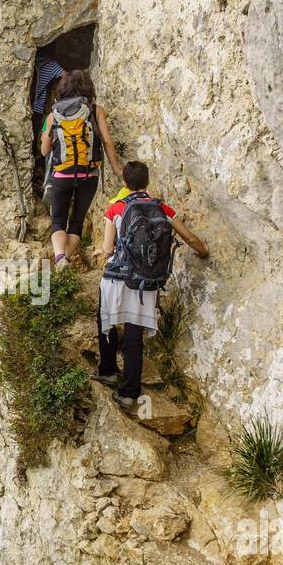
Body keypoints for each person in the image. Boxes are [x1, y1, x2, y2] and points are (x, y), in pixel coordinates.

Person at [93, 160, 208, 409]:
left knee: (106, 320)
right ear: (147, 182)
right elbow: (187, 236)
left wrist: (101, 252)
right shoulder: (161, 207)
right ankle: (129, 392)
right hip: (145, 281)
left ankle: (109, 370)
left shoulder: (116, 209)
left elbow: (107, 248)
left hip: (117, 278)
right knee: (135, 334)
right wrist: (203, 250)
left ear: (124, 182)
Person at [39, 69, 123, 268]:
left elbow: (44, 150)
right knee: (77, 221)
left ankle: (60, 258)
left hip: (61, 175)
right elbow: (107, 141)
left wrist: (46, 137)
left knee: (58, 220)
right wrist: (117, 168)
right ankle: (65, 260)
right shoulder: (95, 110)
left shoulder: (53, 115)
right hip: (89, 175)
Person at [31, 54, 65, 188]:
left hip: (28, 107)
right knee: (36, 140)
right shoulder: (50, 64)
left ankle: (33, 172)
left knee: (31, 142)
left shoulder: (35, 63)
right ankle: (37, 172)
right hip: (37, 109)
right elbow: (67, 77)